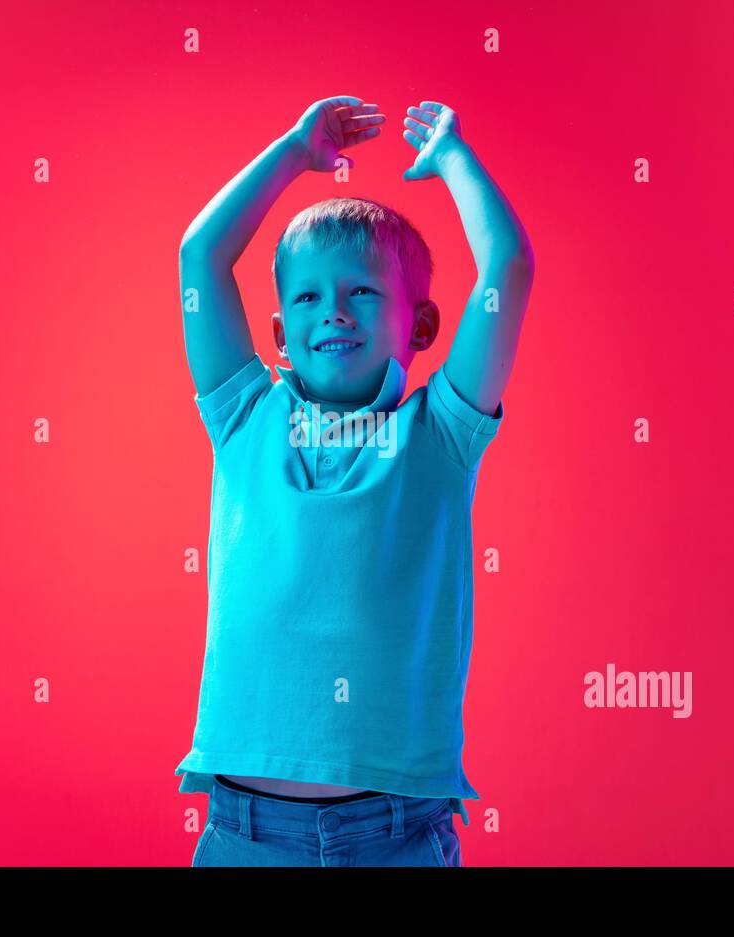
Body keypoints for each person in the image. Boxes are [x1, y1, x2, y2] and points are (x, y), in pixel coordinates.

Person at [176, 95, 534, 865]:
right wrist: (292, 152)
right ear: (278, 333)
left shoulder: (440, 433)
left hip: (394, 837)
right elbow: (200, 256)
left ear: (423, 326)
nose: (332, 311)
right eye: (306, 296)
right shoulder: (243, 418)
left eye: (362, 292)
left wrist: (452, 160)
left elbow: (507, 265)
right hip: (243, 834)